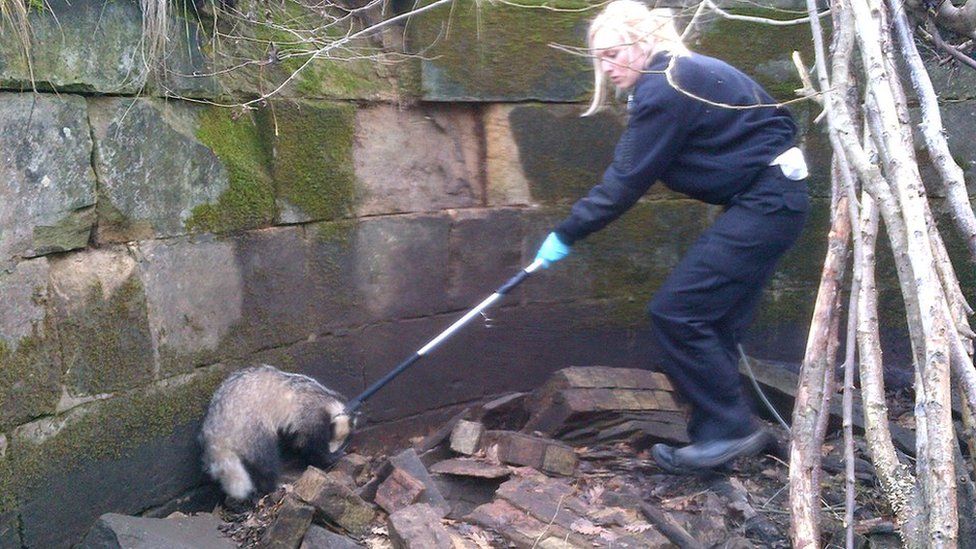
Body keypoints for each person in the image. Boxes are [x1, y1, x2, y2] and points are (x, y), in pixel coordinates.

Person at [534, 0, 810, 474]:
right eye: (598, 58)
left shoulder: (666, 86)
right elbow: (777, 122)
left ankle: (731, 430)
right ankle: (719, 439)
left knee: (678, 313)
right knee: (714, 321)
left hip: (767, 201)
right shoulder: (683, 76)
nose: (606, 66)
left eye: (613, 53)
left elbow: (624, 182)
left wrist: (566, 233)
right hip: (773, 198)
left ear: (642, 44)